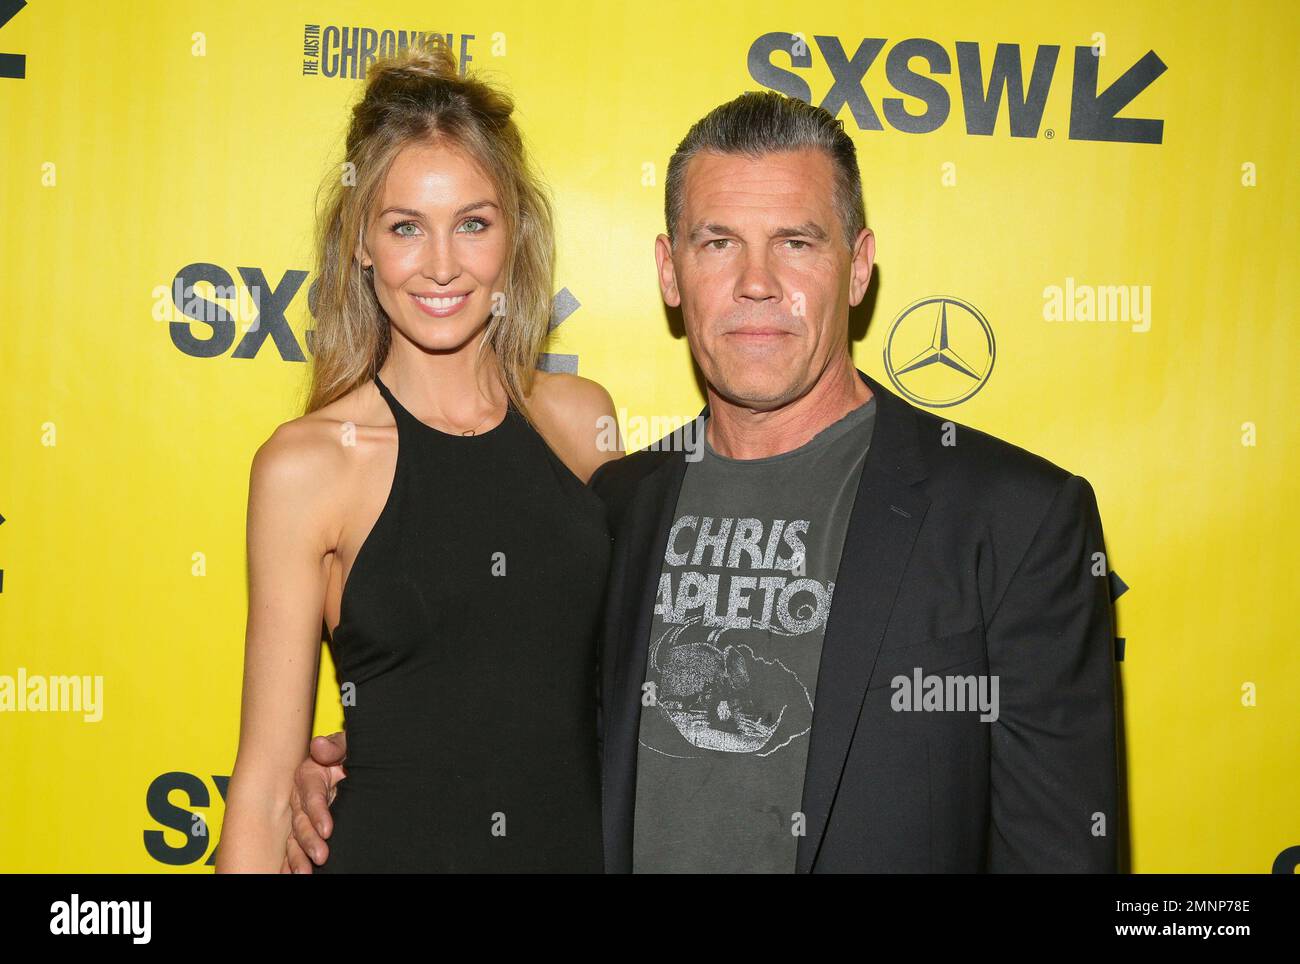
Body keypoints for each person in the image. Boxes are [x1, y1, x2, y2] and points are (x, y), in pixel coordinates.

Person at [287, 90, 1119, 874]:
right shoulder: (611, 503)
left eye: (797, 242)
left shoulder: (1015, 519)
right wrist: (368, 770)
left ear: (859, 267)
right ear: (670, 272)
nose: (757, 283)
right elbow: (506, 694)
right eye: (718, 243)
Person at [216, 41, 622, 873]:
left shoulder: (586, 425)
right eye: (406, 227)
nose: (442, 265)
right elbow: (261, 788)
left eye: (473, 223)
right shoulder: (307, 466)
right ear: (361, 243)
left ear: (513, 235)